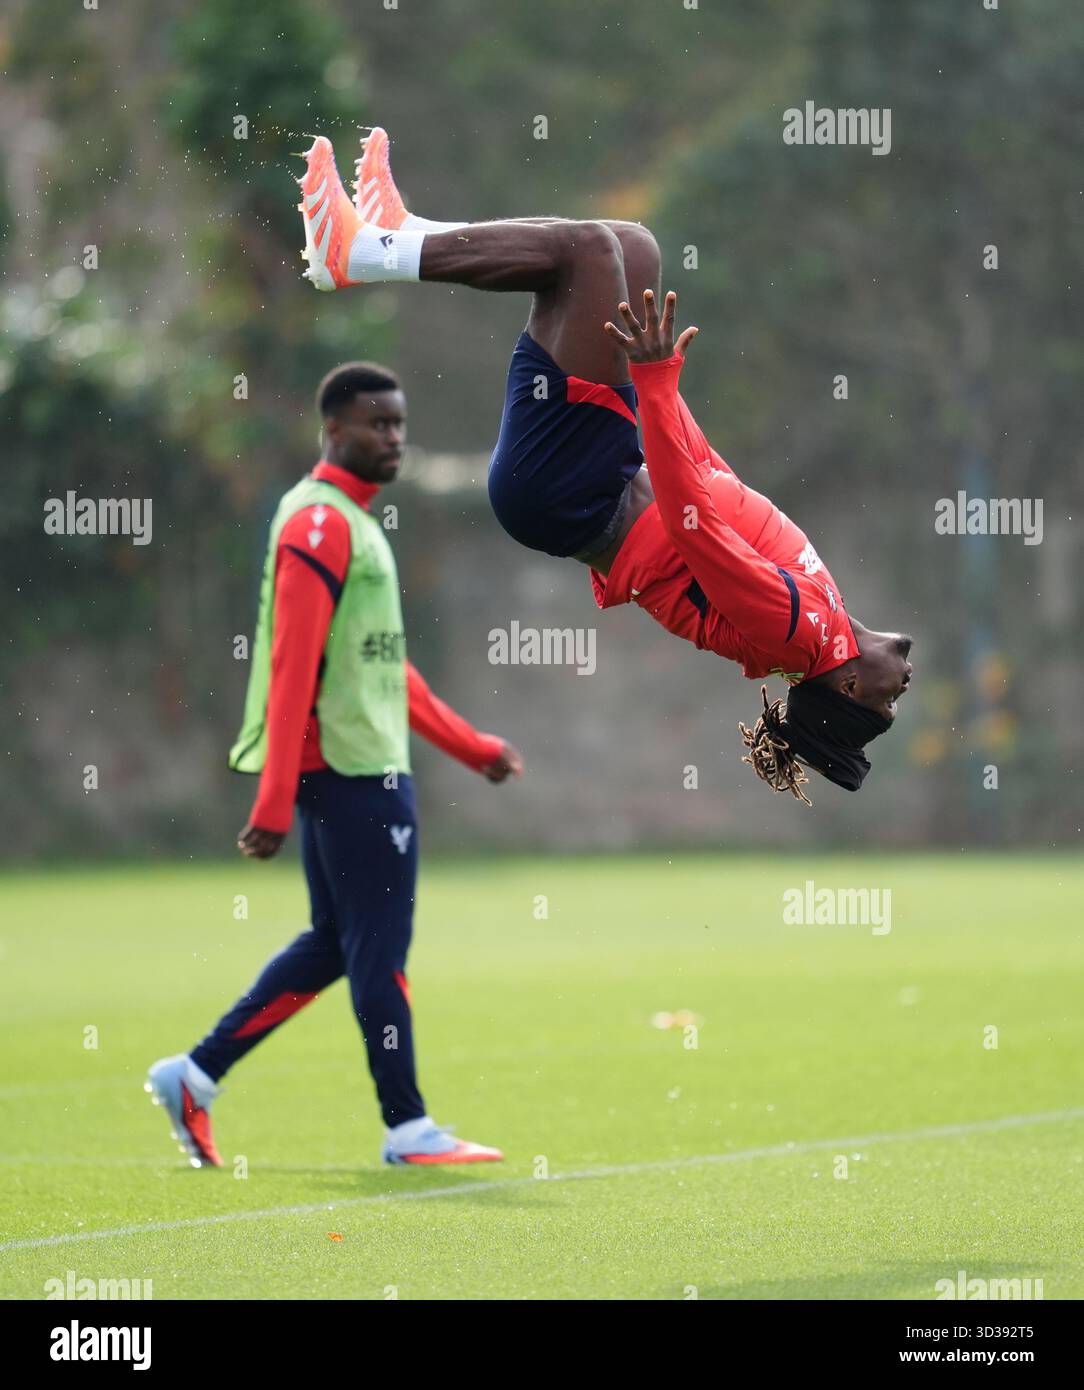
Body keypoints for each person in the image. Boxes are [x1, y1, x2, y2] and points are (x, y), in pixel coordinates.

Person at [294, 129, 914, 804]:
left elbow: (694, 527)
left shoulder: (796, 638)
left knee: (587, 254)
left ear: (850, 687)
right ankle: (401, 233)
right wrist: (660, 385)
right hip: (599, 467)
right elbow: (713, 480)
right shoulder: (822, 613)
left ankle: (358, 253)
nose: (904, 681)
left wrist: (654, 383)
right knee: (632, 247)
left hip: (569, 491)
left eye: (887, 708)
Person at [147, 360, 523, 1167]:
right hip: (352, 775)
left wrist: (472, 747)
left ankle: (194, 1076)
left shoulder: (351, 521)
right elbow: (292, 666)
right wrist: (273, 803)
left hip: (364, 769)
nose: (393, 437)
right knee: (379, 955)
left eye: (399, 423)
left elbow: (384, 669)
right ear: (333, 430)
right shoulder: (318, 524)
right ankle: (408, 1127)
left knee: (334, 944)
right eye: (376, 424)